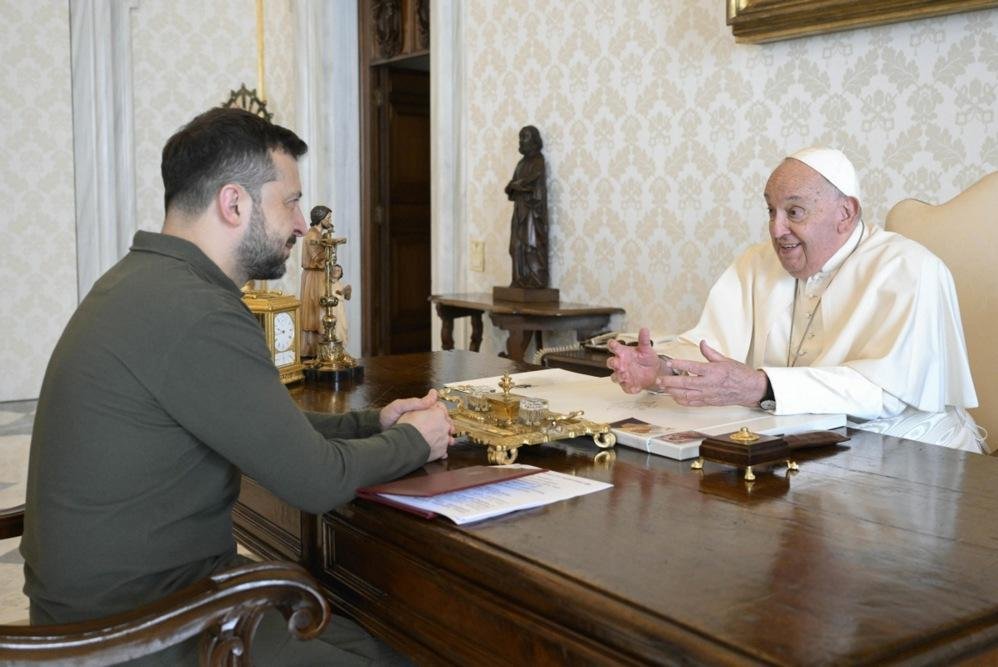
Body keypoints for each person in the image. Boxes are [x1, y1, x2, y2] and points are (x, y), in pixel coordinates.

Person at [21, 107, 454, 664]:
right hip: (130, 631)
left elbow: (258, 423)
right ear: (234, 203)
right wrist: (420, 440)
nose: (302, 224)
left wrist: (372, 422)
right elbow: (317, 481)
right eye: (291, 201)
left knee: (370, 632)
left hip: (122, 602)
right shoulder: (195, 310)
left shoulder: (147, 280)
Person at [608, 147, 985, 453]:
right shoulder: (757, 263)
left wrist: (762, 386)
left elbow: (885, 392)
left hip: (906, 450)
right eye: (771, 210)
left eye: (794, 212)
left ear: (845, 212)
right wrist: (663, 368)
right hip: (797, 446)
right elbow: (711, 347)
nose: (776, 229)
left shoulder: (908, 270)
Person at [504, 125, 549, 289]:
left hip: (531, 213)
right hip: (519, 211)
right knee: (516, 246)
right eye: (520, 137)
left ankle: (535, 280)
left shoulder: (538, 161)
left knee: (530, 246)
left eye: (525, 137)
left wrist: (517, 185)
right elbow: (511, 187)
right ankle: (518, 280)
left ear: (535, 141)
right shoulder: (521, 164)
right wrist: (514, 186)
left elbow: (531, 184)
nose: (521, 141)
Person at [300, 205, 330, 357]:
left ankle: (320, 348)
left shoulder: (319, 234)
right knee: (314, 309)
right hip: (314, 276)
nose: (330, 221)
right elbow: (319, 259)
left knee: (321, 309)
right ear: (320, 219)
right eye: (328, 218)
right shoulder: (312, 236)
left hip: (319, 275)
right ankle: (312, 349)